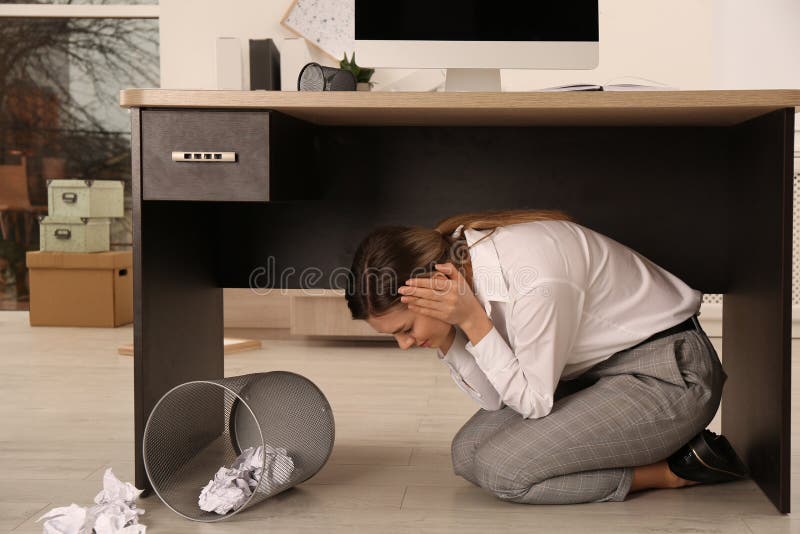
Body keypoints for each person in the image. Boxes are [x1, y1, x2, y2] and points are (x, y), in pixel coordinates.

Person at [345, 208, 749, 504]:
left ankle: (675, 469)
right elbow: (496, 397)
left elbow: (532, 403)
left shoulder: (533, 278)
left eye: (405, 330)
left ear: (433, 285)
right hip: (596, 374)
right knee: (466, 453)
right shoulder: (463, 266)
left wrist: (472, 322)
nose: (404, 344)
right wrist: (453, 337)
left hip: (670, 374)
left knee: (502, 471)